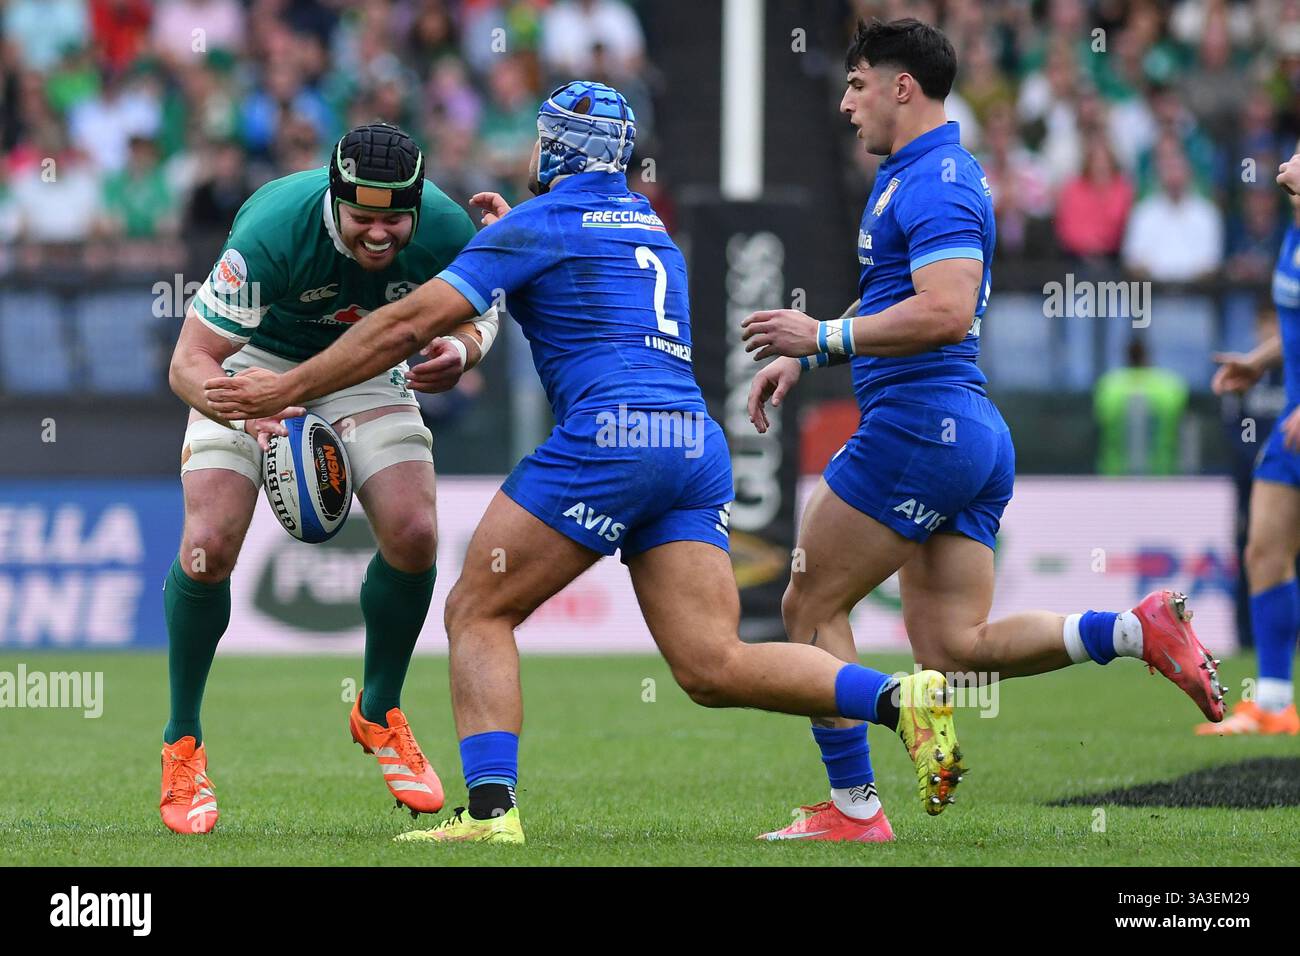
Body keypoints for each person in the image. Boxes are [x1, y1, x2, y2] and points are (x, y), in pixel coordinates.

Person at [205, 81, 972, 846]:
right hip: (690, 442)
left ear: (559, 148)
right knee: (713, 666)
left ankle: (492, 814)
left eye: (540, 138)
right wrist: (512, 242)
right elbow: (580, 281)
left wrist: (290, 386)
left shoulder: (541, 223)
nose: (531, 151)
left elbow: (402, 323)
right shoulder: (645, 222)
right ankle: (898, 698)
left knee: (478, 608)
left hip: (612, 438)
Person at [741, 17, 1225, 844]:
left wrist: (823, 338)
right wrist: (816, 351)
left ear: (903, 87)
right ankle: (1132, 630)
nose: (847, 104)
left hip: (917, 426)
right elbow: (905, 294)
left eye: (858, 85)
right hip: (966, 434)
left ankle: (854, 810)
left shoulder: (935, 180)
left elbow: (948, 307)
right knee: (954, 650)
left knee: (807, 604)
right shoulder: (915, 175)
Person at [161, 122, 501, 833]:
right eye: (363, 219)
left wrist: (463, 350)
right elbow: (187, 362)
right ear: (332, 201)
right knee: (209, 543)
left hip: (365, 367)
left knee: (414, 531)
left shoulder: (442, 225)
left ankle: (378, 711)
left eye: (393, 220)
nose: (380, 236)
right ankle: (182, 742)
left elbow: (485, 306)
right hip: (254, 364)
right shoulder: (274, 235)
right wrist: (245, 412)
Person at [1196, 165, 1300, 737]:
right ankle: (1276, 703)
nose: (1284, 166)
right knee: (1264, 550)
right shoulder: (1292, 231)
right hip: (1291, 425)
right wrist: (1259, 361)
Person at [1093, 336, 1189, 476]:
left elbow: (1099, 422)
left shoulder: (1108, 386)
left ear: (1126, 356)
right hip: (1162, 475)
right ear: (1148, 356)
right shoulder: (1171, 385)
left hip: (1114, 476)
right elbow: (1183, 425)